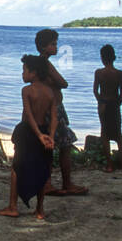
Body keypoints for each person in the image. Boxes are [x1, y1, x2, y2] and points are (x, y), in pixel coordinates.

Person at [0, 55, 56, 220]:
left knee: (17, 168)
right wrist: (49, 136)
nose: (22, 74)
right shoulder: (50, 92)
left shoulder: (27, 91)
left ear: (34, 73)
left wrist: (38, 135)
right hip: (44, 132)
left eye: (24, 70)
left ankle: (12, 206)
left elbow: (29, 115)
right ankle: (40, 210)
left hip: (29, 132)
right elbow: (54, 117)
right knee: (42, 169)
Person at [35, 29, 86, 196]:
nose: (56, 47)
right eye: (53, 44)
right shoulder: (45, 64)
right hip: (53, 109)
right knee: (64, 145)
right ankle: (64, 183)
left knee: (53, 145)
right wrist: (55, 83)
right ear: (43, 47)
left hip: (47, 108)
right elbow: (63, 83)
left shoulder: (39, 63)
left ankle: (49, 182)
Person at [93, 44, 122, 172]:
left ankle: (109, 165)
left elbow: (95, 91)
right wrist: (118, 104)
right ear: (114, 58)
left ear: (102, 58)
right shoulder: (119, 74)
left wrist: (100, 102)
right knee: (118, 134)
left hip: (103, 104)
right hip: (114, 104)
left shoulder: (99, 73)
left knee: (105, 134)